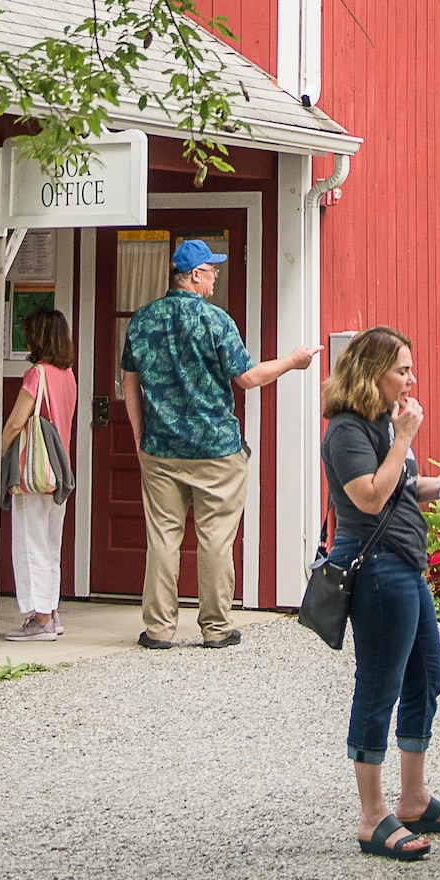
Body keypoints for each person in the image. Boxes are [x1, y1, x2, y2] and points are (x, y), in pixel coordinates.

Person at [121, 237, 317, 651]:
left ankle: (158, 630)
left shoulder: (142, 320)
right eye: (212, 271)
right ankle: (216, 628)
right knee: (214, 538)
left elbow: (129, 382)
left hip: (160, 449)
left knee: (163, 538)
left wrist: (140, 436)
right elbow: (248, 378)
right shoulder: (216, 321)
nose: (215, 278)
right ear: (194, 275)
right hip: (216, 449)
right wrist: (292, 361)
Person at [320, 328, 440, 859]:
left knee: (428, 675)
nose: (411, 379)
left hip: (405, 564)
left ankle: (413, 797)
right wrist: (403, 437)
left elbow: (405, 487)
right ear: (372, 372)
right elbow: (371, 498)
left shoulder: (383, 422)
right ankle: (372, 815)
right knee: (379, 685)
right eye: (402, 369)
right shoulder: (347, 429)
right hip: (376, 568)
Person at [1, 303, 78, 640]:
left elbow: (16, 422)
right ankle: (52, 611)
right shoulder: (68, 375)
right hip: (59, 470)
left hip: (33, 471)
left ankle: (42, 618)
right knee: (50, 544)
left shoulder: (37, 374)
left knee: (30, 542)